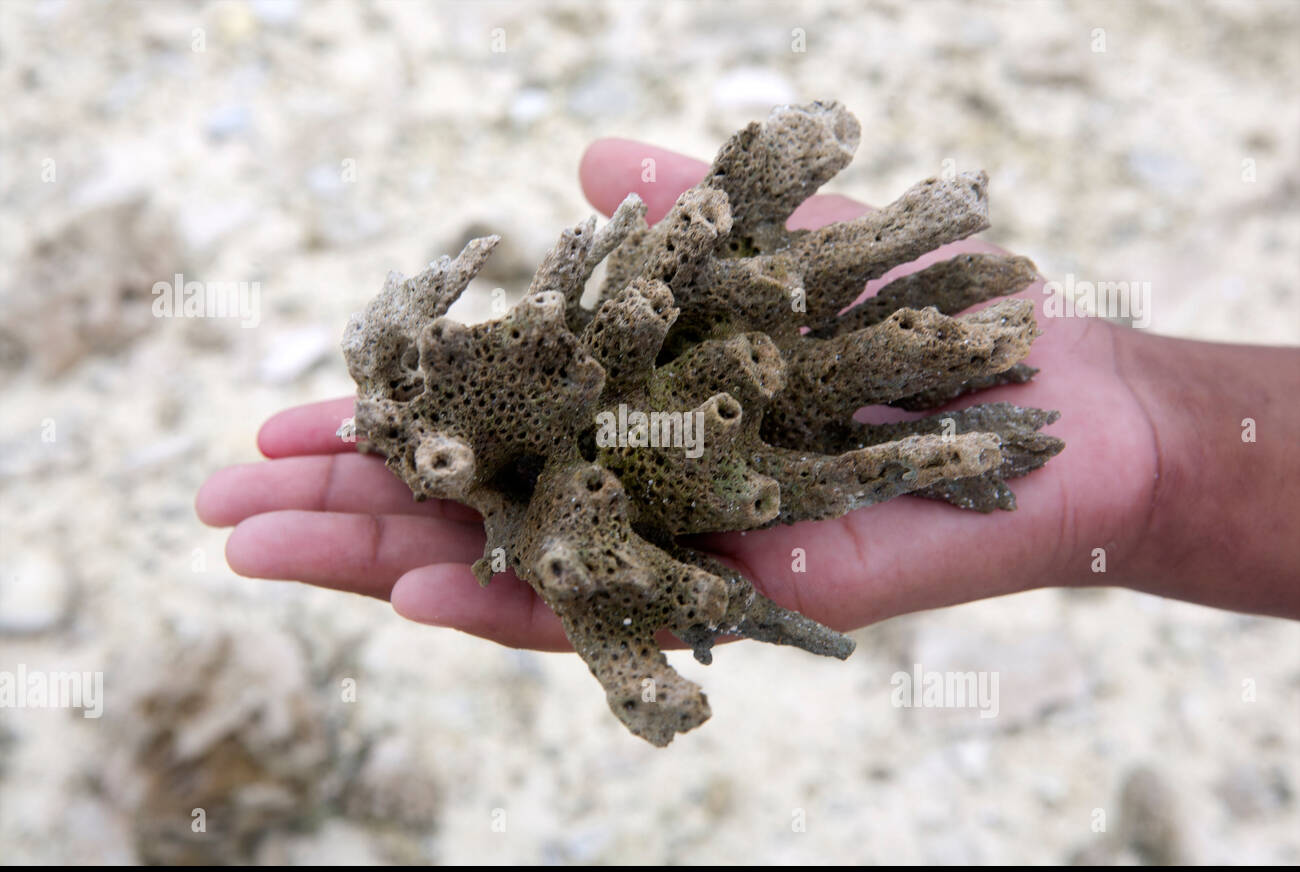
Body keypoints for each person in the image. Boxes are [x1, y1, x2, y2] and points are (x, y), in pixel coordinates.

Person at [195, 138, 1300, 651]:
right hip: (626, 454)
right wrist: (1156, 444)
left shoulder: (642, 349)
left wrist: (1151, 451)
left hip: (690, 431)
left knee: (832, 428)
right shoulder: (531, 419)